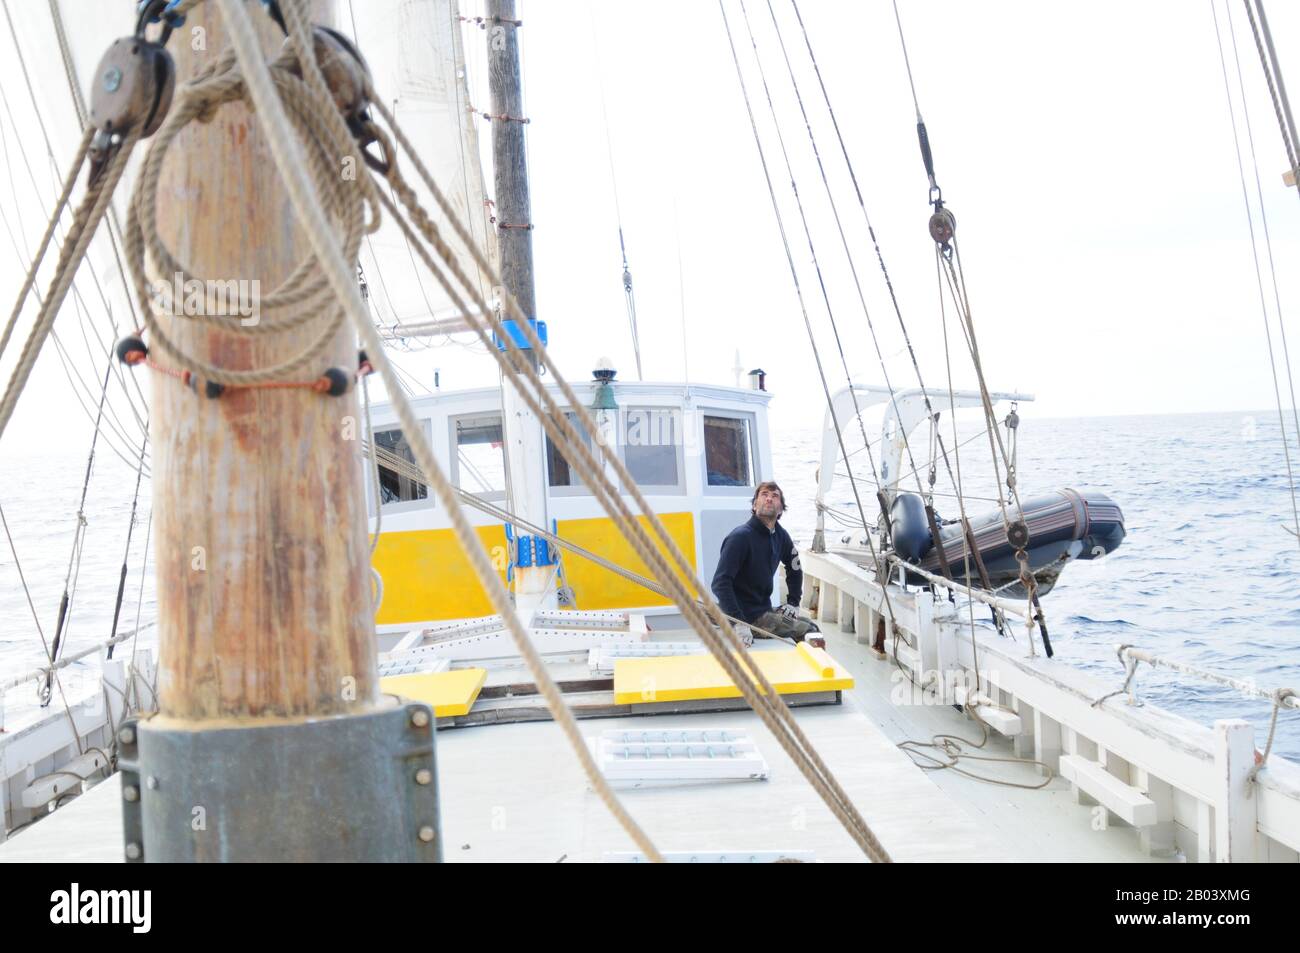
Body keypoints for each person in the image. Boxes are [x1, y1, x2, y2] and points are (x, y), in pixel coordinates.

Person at [711, 481, 824, 648]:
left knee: (809, 623)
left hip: (763, 610)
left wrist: (793, 603)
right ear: (754, 504)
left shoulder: (780, 535)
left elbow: (795, 568)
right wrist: (739, 623)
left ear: (781, 509)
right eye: (764, 494)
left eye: (774, 496)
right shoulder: (740, 537)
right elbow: (720, 583)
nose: (769, 498)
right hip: (746, 616)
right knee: (809, 630)